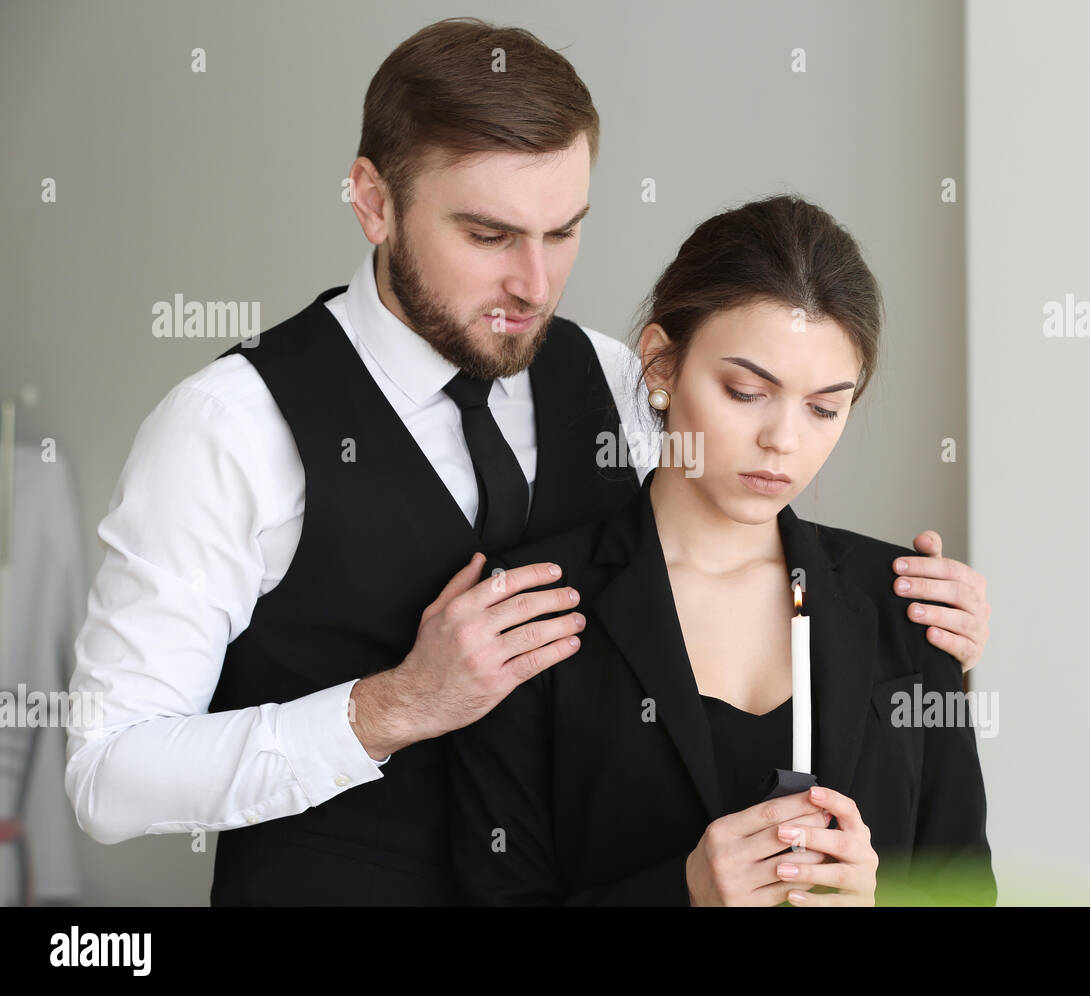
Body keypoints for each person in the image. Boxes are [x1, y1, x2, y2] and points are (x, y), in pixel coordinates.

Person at [64, 19, 991, 906]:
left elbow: (730, 566)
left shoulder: (620, 381)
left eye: (563, 232)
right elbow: (106, 776)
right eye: (489, 235)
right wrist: (391, 707)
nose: (535, 285)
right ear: (373, 200)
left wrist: (916, 630)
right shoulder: (230, 427)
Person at [444, 194, 996, 906]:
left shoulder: (910, 604)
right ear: (660, 366)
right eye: (745, 391)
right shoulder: (534, 605)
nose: (784, 441)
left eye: (824, 408)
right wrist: (684, 894)